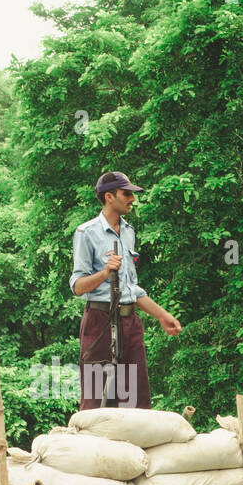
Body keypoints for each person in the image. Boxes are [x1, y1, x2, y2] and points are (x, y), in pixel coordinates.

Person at [71, 171, 182, 410]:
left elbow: (132, 288)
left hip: (130, 323)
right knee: (97, 400)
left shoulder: (129, 231)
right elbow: (78, 286)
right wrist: (104, 273)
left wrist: (163, 315)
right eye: (127, 193)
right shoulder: (86, 233)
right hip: (99, 322)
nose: (132, 198)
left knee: (135, 400)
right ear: (109, 197)